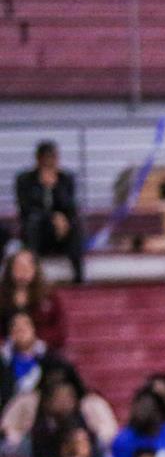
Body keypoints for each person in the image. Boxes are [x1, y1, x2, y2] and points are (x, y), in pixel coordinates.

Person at [15, 142, 83, 284]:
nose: (50, 162)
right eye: (46, 158)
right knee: (33, 222)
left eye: (53, 158)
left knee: (76, 225)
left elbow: (70, 208)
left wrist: (55, 187)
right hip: (39, 234)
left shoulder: (65, 178)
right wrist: (52, 216)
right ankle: (32, 273)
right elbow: (25, 210)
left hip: (60, 234)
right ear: (38, 160)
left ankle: (79, 276)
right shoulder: (24, 180)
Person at [2, 251, 66, 351]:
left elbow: (59, 330)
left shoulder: (49, 296)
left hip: (42, 351)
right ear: (10, 270)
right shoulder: (2, 296)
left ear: (35, 269)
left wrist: (34, 341)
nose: (23, 271)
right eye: (18, 266)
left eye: (27, 266)